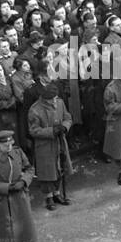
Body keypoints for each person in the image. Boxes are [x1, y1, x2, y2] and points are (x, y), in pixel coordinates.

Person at [26, 79, 73, 213]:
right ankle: (49, 197)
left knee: (59, 168)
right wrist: (52, 131)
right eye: (52, 99)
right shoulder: (35, 110)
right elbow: (34, 131)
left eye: (55, 98)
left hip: (59, 142)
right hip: (44, 145)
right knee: (47, 172)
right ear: (45, 99)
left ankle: (57, 193)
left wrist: (64, 127)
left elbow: (68, 117)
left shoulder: (60, 103)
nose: (55, 101)